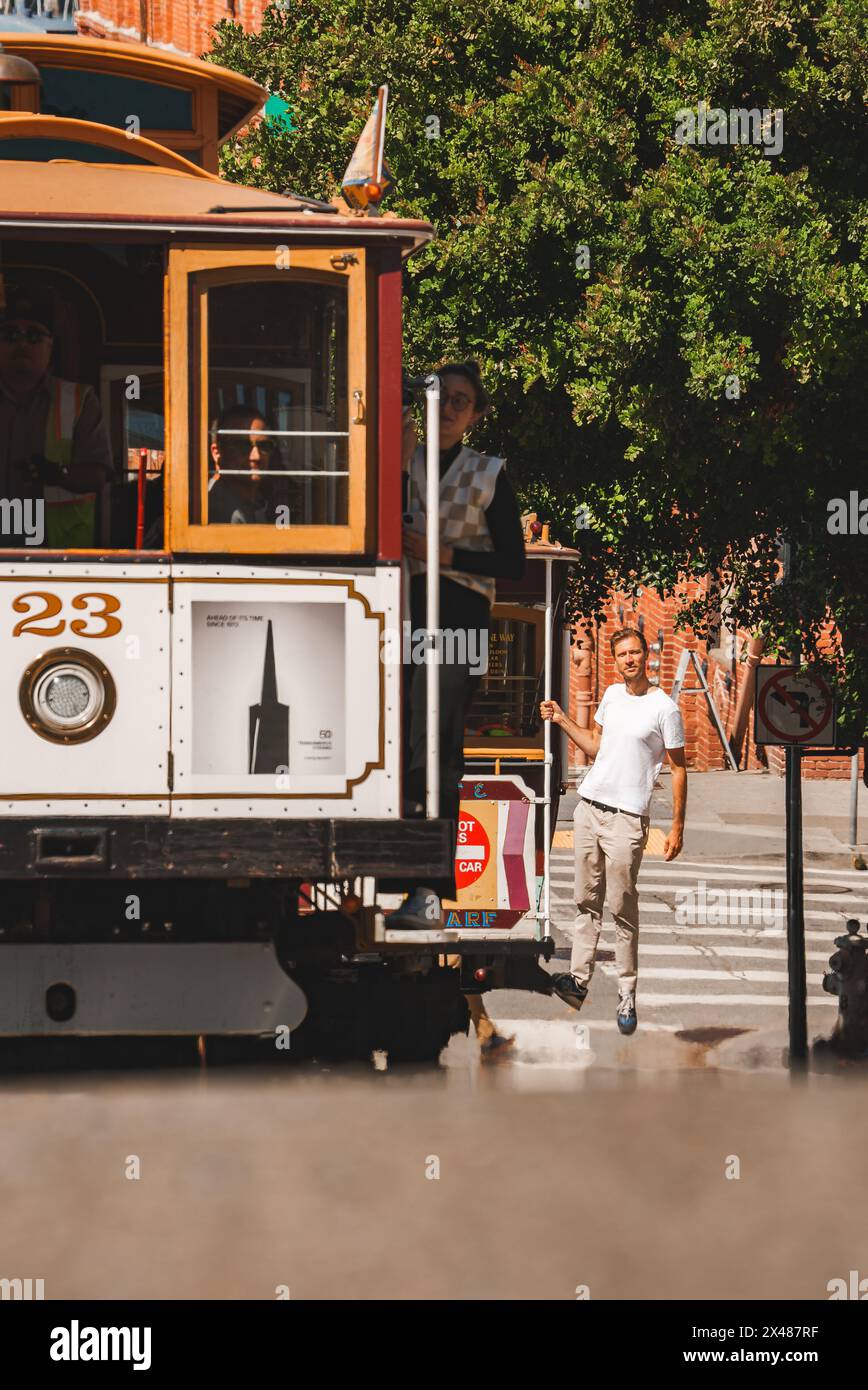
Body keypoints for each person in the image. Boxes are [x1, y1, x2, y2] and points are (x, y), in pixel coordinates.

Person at [389, 361, 526, 1062]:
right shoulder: (397, 460)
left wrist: (441, 553)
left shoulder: (489, 472)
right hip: (398, 613)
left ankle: (433, 886)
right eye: (438, 397)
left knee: (439, 746)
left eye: (462, 401)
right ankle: (404, 866)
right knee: (399, 746)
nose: (447, 409)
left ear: (476, 413)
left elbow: (517, 563)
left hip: (462, 619)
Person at [540, 626, 687, 1035]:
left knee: (622, 907)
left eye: (636, 653)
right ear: (616, 659)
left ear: (646, 656)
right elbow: (595, 747)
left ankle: (627, 991)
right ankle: (578, 981)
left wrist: (676, 825)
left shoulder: (664, 708)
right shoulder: (610, 696)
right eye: (622, 654)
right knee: (585, 900)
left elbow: (678, 768)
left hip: (628, 817)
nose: (630, 660)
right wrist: (562, 719)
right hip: (589, 807)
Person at [0, 280, 113, 548]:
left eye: (34, 336)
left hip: (57, 561)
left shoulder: (79, 401)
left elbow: (98, 476)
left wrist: (57, 473)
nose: (22, 344)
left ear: (51, 348)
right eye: (10, 335)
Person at [208, 406, 278, 524]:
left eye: (264, 445)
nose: (256, 456)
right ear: (217, 453)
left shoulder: (259, 502)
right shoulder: (216, 511)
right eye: (242, 446)